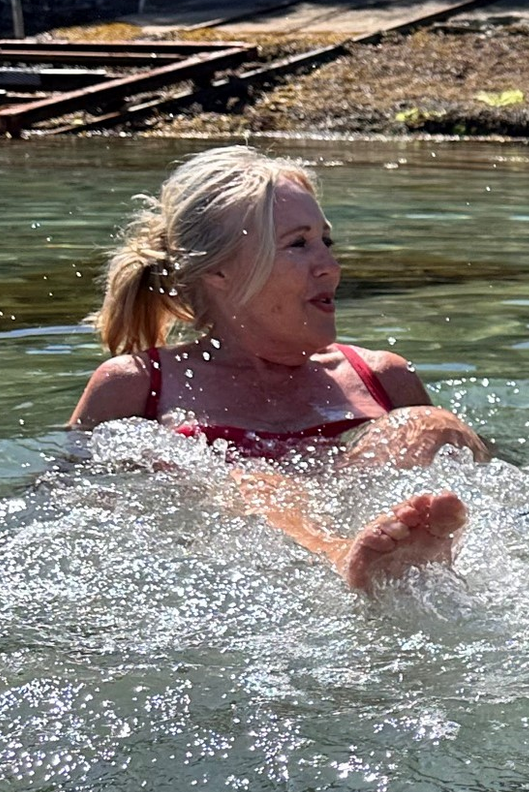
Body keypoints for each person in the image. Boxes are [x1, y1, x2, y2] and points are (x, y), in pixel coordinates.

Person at [68, 145, 489, 590]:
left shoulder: (383, 378)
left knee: (428, 423)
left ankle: (414, 553)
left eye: (326, 242)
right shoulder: (138, 386)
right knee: (254, 480)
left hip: (362, 516)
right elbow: (67, 504)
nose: (330, 266)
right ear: (220, 271)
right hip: (236, 575)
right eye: (298, 244)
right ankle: (346, 558)